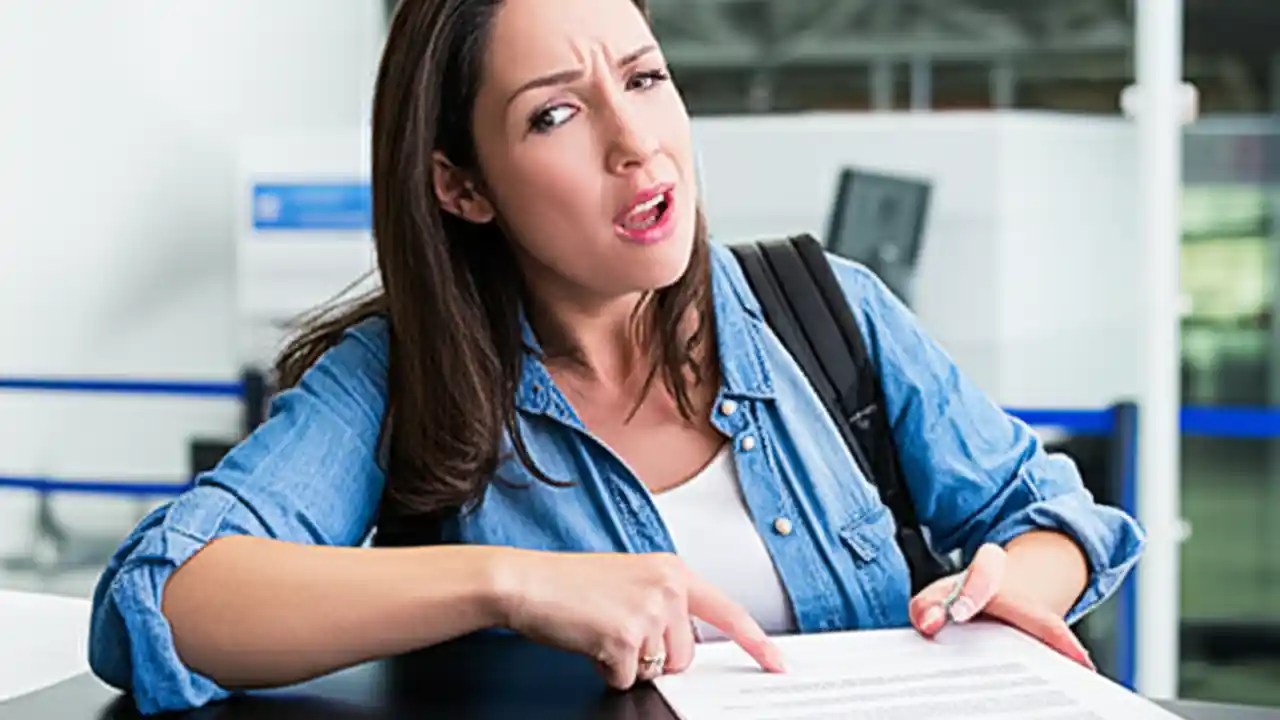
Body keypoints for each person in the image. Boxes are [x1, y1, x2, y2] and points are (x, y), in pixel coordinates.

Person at [87, 0, 1145, 714]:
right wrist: (510, 584)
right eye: (555, 113)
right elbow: (157, 603)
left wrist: (1016, 582)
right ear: (462, 185)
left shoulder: (829, 309)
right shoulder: (400, 378)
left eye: (643, 78)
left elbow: (1047, 513)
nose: (635, 143)